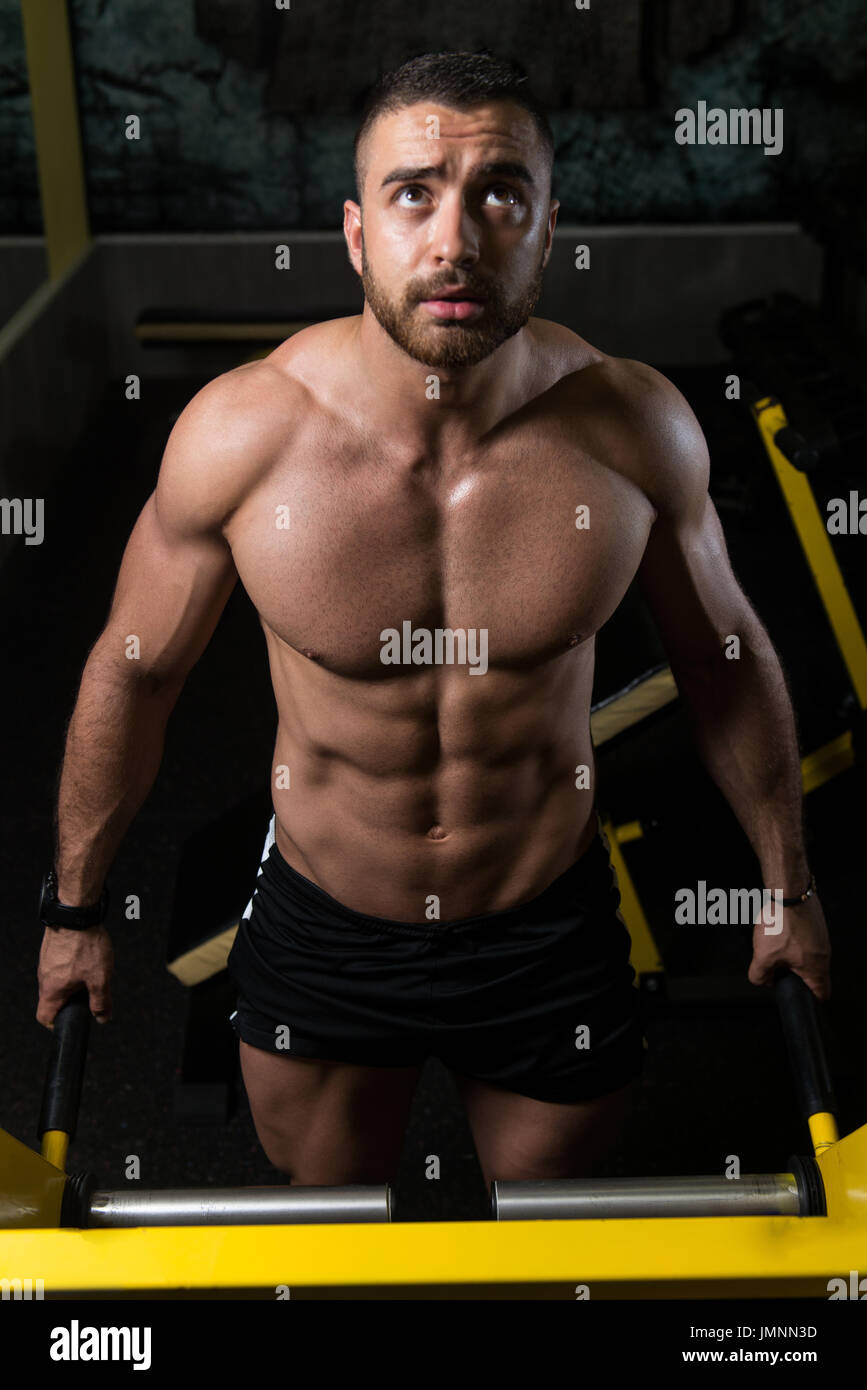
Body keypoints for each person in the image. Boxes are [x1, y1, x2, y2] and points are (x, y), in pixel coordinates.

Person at [37, 52, 830, 1189]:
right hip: (326, 923)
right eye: (414, 193)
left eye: (498, 194)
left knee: (551, 1239)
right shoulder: (243, 436)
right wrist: (72, 907)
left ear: (549, 230)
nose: (454, 240)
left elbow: (725, 664)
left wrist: (787, 888)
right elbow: (134, 675)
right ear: (358, 235)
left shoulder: (635, 429)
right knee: (337, 1229)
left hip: (543, 924)